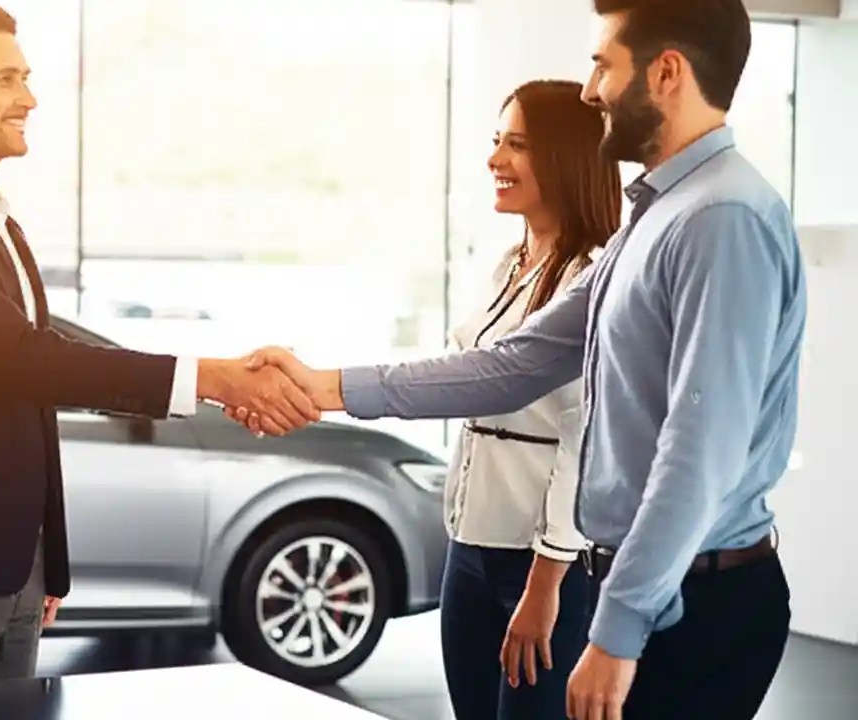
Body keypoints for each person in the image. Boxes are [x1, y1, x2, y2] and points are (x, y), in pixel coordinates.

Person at [233, 1, 803, 718]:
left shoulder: (722, 220)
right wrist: (324, 387)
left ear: (666, 73)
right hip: (650, 584)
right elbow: (516, 363)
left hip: (696, 603)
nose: (591, 91)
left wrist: (617, 632)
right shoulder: (659, 215)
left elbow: (700, 452)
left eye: (603, 65)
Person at [0, 4, 318, 685]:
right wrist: (211, 378)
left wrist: (48, 564)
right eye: (7, 79)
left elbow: (30, 393)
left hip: (15, 569)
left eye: (26, 79)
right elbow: (24, 360)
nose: (29, 99)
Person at [433, 79, 620, 720]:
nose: (495, 159)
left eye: (517, 145)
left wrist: (544, 587)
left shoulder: (592, 277)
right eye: (497, 141)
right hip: (469, 547)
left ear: (566, 158)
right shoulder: (509, 262)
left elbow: (583, 440)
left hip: (542, 565)